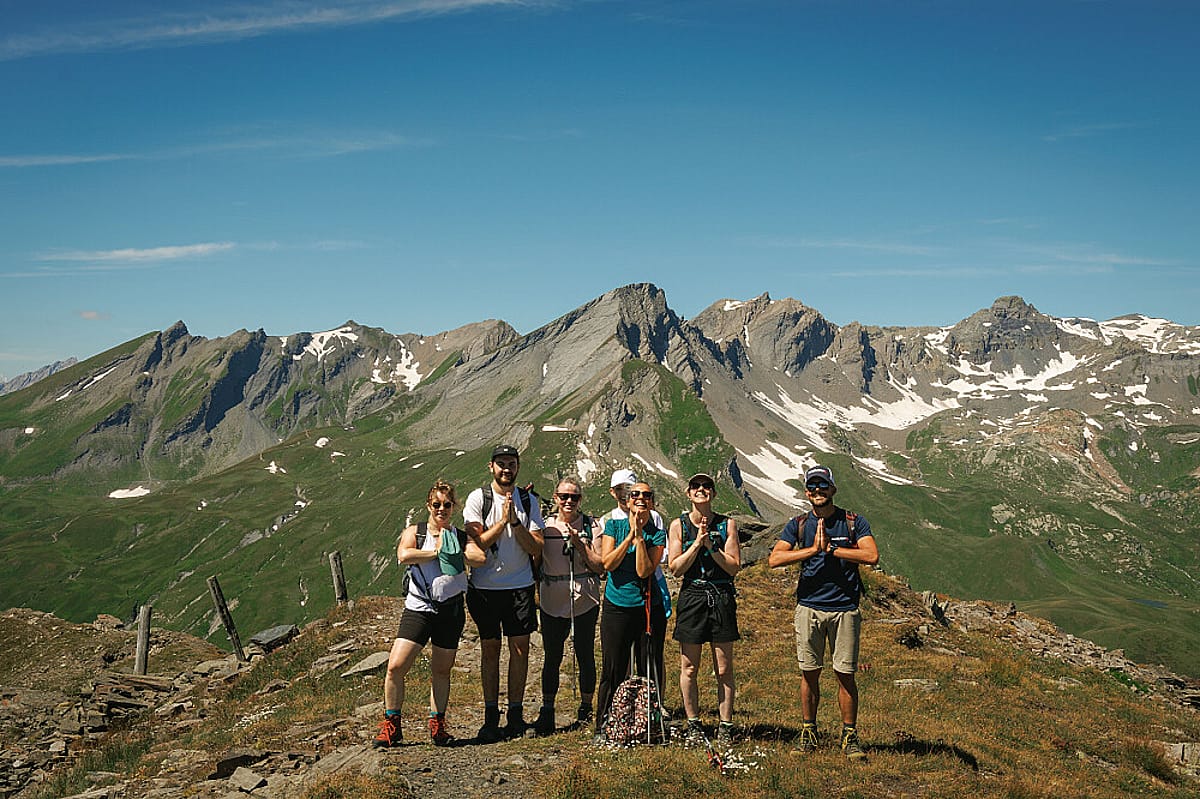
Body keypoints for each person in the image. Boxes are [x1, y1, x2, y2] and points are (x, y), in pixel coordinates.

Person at [767, 465, 878, 761]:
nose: (818, 491)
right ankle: (809, 731)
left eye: (823, 486)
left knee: (845, 674)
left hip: (845, 609)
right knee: (809, 673)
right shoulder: (799, 524)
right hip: (809, 608)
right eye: (812, 487)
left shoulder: (853, 521)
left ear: (832, 490)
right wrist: (812, 550)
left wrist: (832, 551)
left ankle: (849, 735)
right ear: (806, 492)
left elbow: (871, 555)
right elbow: (775, 559)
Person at [375, 479, 486, 747]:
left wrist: (455, 549)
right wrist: (437, 551)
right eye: (436, 504)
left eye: (447, 505)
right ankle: (392, 724)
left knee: (441, 669)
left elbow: (479, 558)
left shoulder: (459, 536)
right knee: (395, 666)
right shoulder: (417, 531)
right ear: (428, 505)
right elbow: (403, 554)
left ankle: (438, 725)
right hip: (420, 608)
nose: (442, 509)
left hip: (451, 610)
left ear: (454, 507)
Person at [463, 444, 545, 742]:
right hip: (485, 588)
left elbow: (537, 547)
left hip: (520, 586)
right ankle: (489, 716)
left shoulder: (528, 500)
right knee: (490, 651)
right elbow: (477, 544)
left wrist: (515, 522)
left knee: (520, 650)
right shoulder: (478, 499)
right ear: (491, 467)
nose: (506, 468)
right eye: (501, 464)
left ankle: (515, 714)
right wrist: (501, 522)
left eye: (511, 463)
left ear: (518, 467)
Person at [667, 472, 741, 747]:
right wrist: (698, 544)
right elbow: (675, 568)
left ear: (713, 493)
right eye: (696, 486)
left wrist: (711, 547)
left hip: (720, 594)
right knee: (689, 666)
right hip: (692, 595)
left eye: (706, 486)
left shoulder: (727, 524)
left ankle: (725, 725)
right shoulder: (679, 525)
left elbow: (734, 566)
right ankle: (694, 723)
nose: (701, 490)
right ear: (688, 493)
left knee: (723, 667)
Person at [594, 480, 668, 741]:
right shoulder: (613, 526)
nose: (640, 499)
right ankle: (605, 722)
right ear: (627, 501)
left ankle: (649, 722)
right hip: (618, 606)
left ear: (652, 502)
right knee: (613, 667)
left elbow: (643, 571)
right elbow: (608, 563)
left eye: (646, 495)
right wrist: (630, 536)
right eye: (635, 494)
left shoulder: (657, 533)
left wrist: (639, 537)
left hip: (648, 606)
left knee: (651, 665)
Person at [532, 476, 605, 734]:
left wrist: (580, 545)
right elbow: (535, 560)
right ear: (555, 498)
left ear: (580, 500)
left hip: (585, 599)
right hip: (552, 600)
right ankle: (547, 710)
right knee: (552, 656)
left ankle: (586, 708)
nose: (569, 501)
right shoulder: (545, 526)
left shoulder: (593, 526)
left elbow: (600, 565)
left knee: (585, 654)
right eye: (564, 496)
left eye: (574, 497)